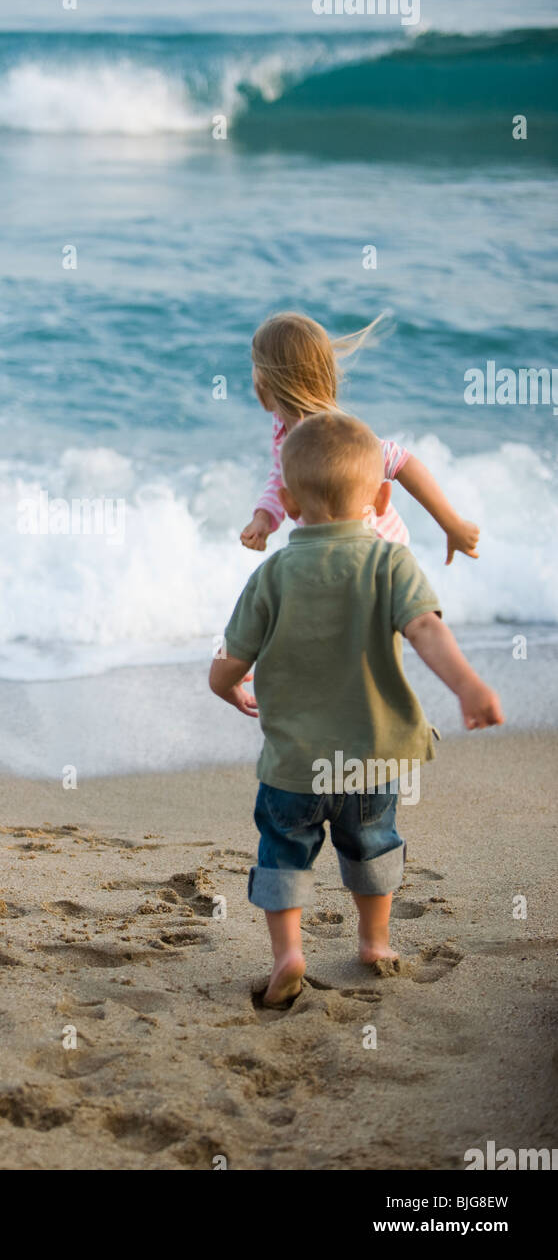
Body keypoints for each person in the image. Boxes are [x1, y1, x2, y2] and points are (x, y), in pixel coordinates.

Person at [210, 411, 503, 1006]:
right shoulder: (391, 563)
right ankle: (374, 942)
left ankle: (289, 954)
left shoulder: (272, 574)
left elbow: (230, 661)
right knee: (373, 842)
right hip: (369, 761)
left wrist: (229, 689)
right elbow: (424, 627)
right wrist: (468, 685)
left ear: (288, 502)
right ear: (381, 495)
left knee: (283, 850)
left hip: (294, 766)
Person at [240, 310, 480, 563]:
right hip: (332, 554)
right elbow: (281, 475)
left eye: (255, 367)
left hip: (378, 553)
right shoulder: (283, 429)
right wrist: (264, 517)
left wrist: (452, 525)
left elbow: (401, 462)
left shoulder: (332, 434)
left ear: (265, 383)